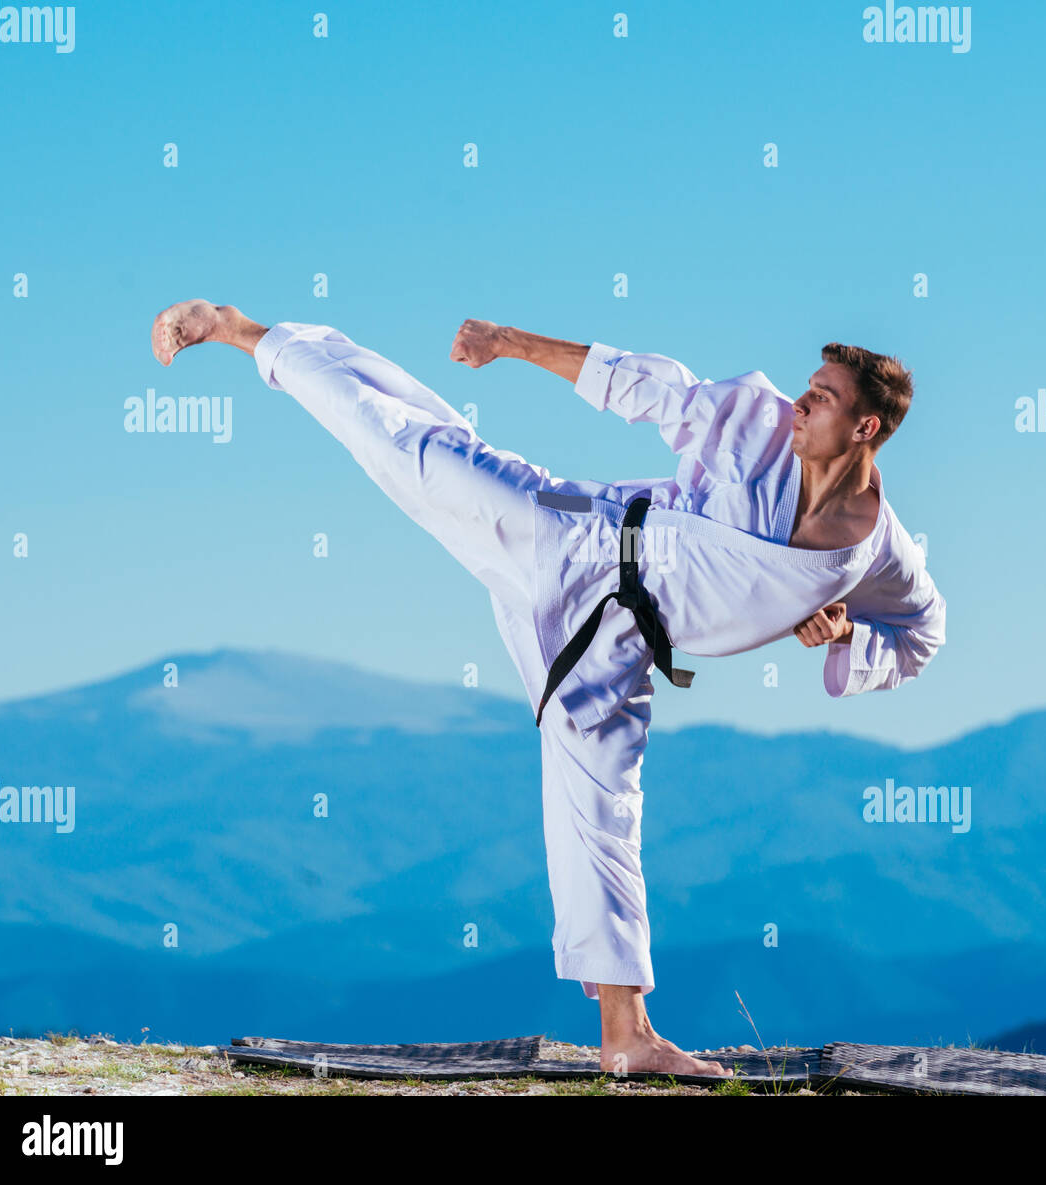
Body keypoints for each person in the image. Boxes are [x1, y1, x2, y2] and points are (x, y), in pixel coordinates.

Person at [150, 299, 947, 1077]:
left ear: (866, 428)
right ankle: (242, 331)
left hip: (615, 645)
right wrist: (508, 341)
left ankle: (627, 1035)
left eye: (823, 397)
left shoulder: (878, 552)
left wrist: (846, 635)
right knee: (414, 449)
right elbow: (650, 385)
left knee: (605, 814)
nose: (801, 402)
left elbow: (923, 634)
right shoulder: (758, 425)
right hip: (566, 531)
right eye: (809, 386)